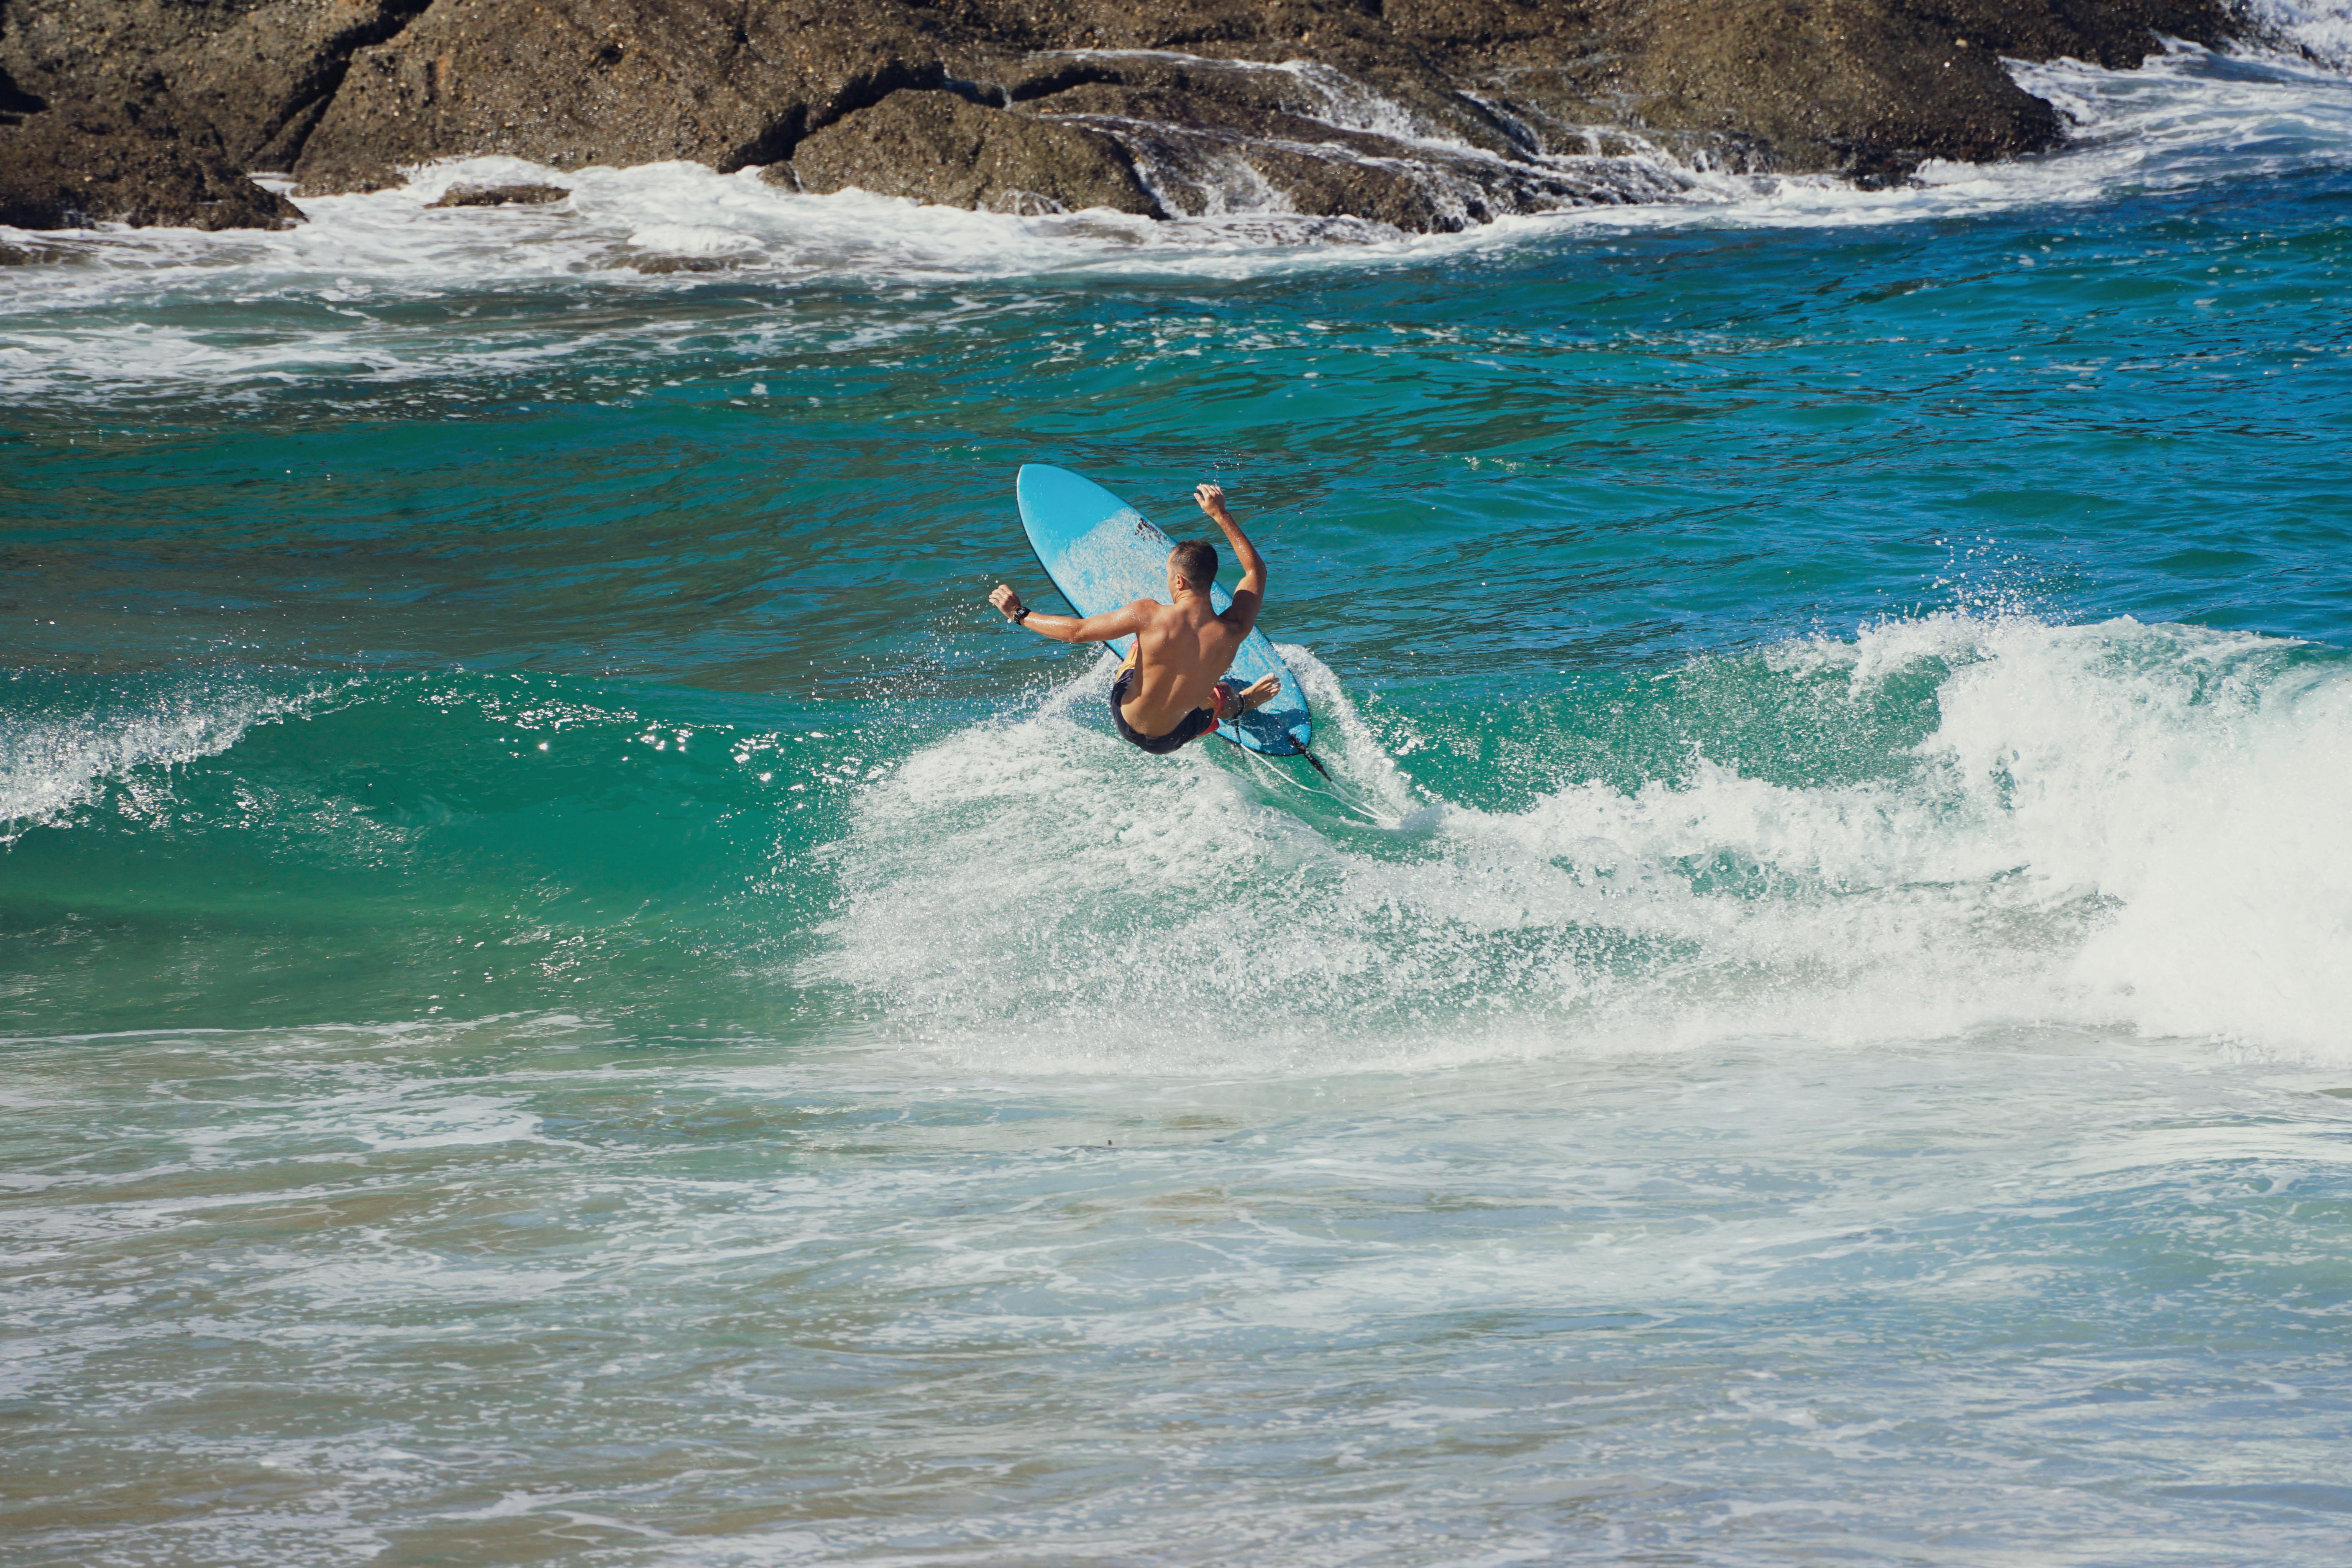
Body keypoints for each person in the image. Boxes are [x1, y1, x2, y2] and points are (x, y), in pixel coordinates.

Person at [988, 482, 1281, 754]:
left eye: (1168, 575)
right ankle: (1239, 704)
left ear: (1179, 582)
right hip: (1172, 739)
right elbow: (1256, 572)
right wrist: (1221, 515)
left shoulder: (1148, 615)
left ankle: (1219, 696)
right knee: (1220, 694)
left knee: (1139, 647)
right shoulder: (1235, 627)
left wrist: (1019, 613)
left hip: (1126, 720)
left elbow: (1076, 633)